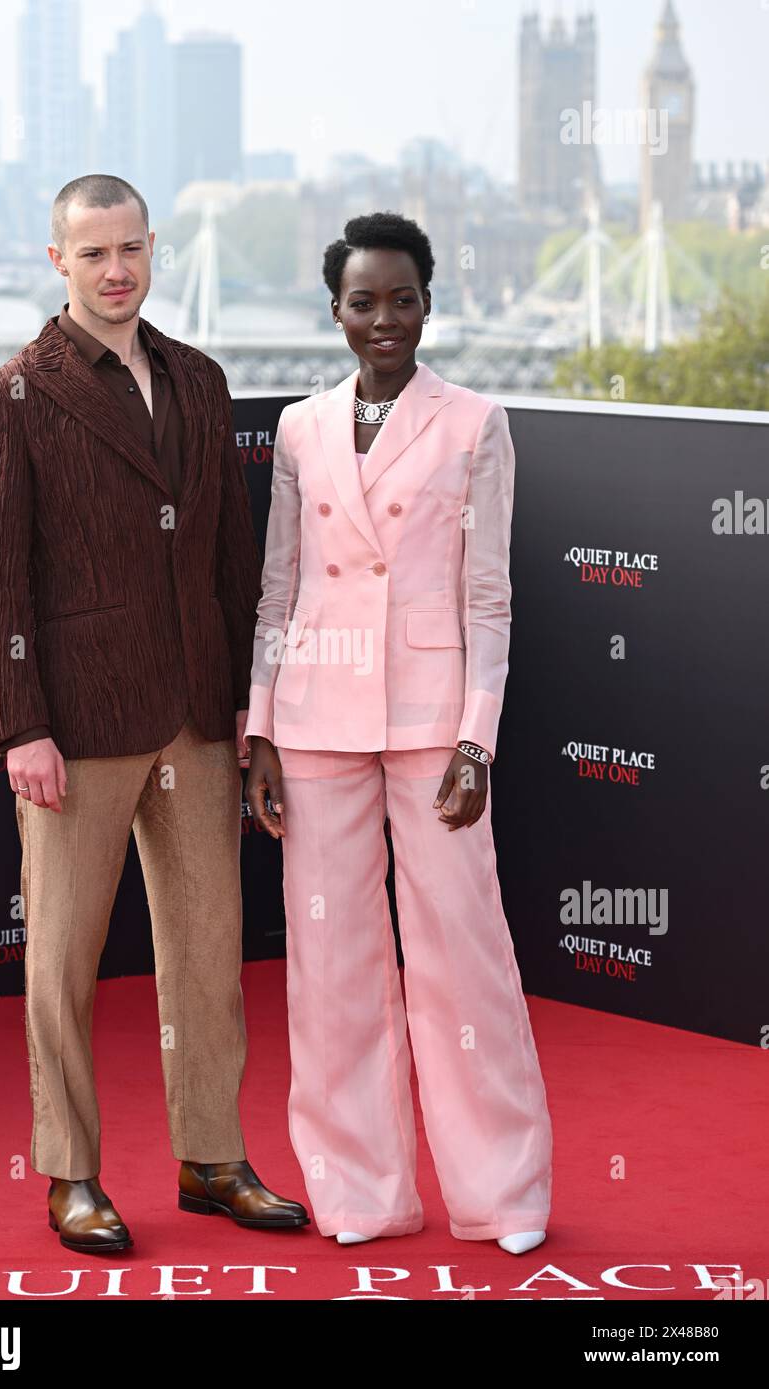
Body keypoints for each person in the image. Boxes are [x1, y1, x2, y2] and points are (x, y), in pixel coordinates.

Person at [0, 173, 308, 1253]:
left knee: (208, 949)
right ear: (56, 259)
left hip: (196, 715)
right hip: (76, 721)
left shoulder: (200, 379)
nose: (117, 271)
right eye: (94, 252)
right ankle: (70, 1173)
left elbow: (232, 557)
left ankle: (211, 1157)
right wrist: (17, 726)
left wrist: (248, 706)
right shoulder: (9, 398)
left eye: (131, 249)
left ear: (154, 248)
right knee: (61, 957)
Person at [244, 212, 552, 1253]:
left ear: (428, 303)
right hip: (316, 717)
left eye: (403, 299)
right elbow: (280, 587)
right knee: (329, 965)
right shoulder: (299, 428)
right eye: (363, 302)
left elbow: (488, 597)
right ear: (335, 312)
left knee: (465, 957)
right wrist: (261, 728)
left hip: (431, 720)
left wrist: (477, 737)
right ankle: (360, 1192)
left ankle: (503, 1194)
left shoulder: (475, 424)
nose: (385, 319)